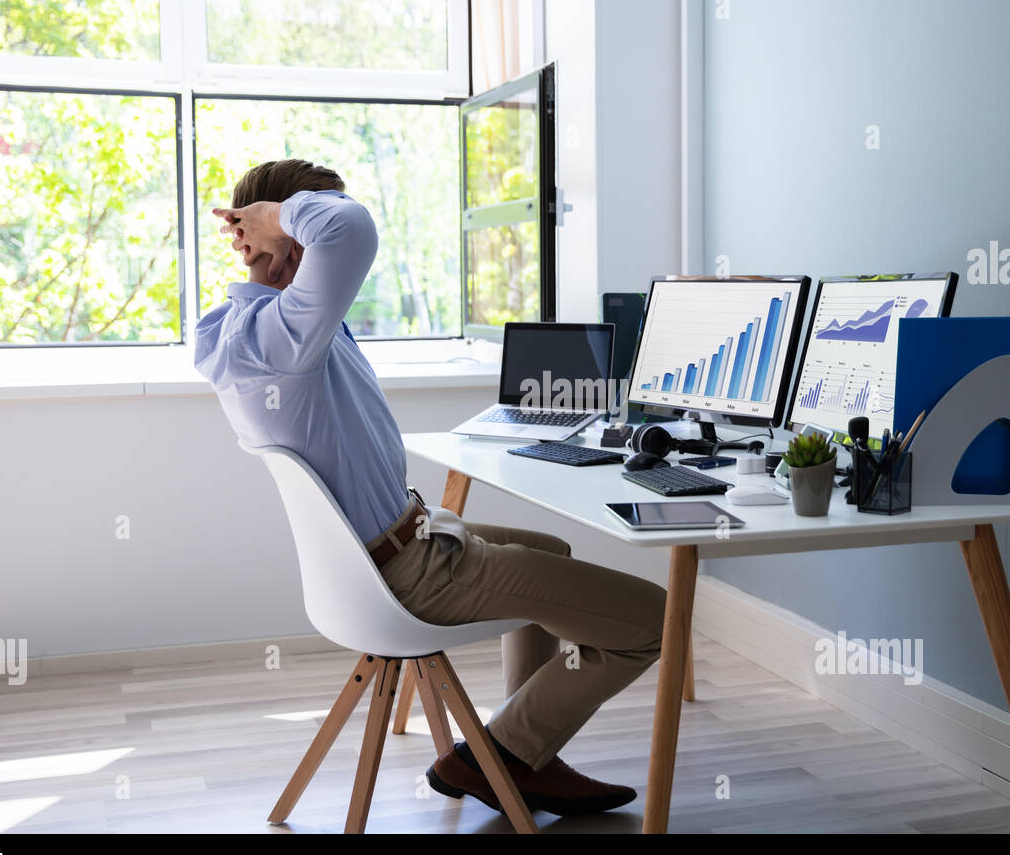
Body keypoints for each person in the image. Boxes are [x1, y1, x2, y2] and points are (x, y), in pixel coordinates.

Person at [195, 159, 666, 817]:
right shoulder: (277, 341)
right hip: (411, 573)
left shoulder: (259, 327)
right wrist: (274, 220)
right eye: (304, 214)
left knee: (549, 549)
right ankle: (498, 754)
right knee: (652, 620)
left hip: (406, 543)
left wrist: (275, 231)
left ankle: (525, 753)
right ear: (289, 235)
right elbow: (350, 230)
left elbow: (339, 235)